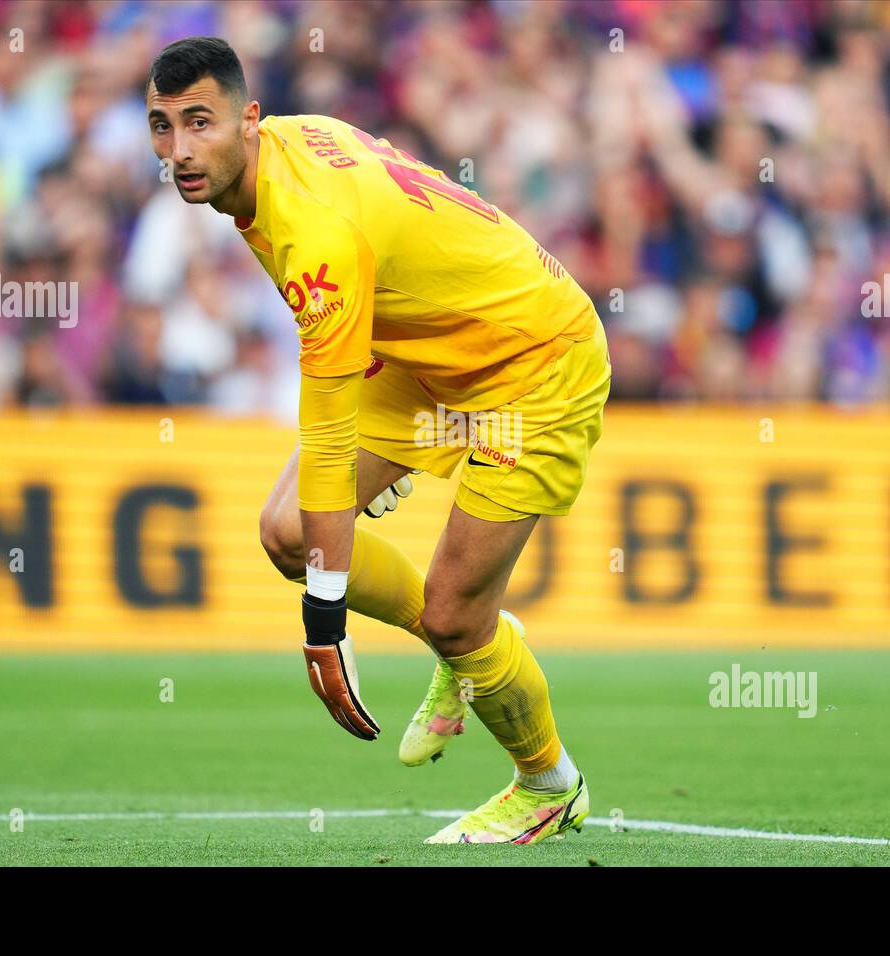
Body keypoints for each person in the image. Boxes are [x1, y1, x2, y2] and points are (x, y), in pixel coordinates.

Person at [145, 36, 610, 844]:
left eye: (199, 123)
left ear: (248, 121)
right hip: (431, 347)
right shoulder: (285, 147)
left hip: (535, 361)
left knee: (456, 614)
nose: (179, 151)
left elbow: (327, 441)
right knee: (290, 534)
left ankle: (548, 784)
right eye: (162, 126)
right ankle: (467, 650)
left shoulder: (310, 229)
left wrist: (324, 623)